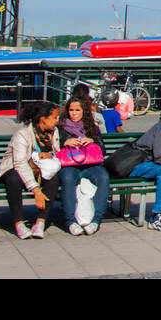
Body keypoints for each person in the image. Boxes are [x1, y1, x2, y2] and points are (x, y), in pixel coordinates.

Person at [0, 101, 62, 239]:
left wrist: (49, 155)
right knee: (13, 179)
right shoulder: (23, 134)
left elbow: (57, 153)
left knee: (53, 177)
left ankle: (40, 222)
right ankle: (19, 223)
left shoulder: (54, 132)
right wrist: (36, 191)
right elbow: (20, 163)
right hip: (15, 167)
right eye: (54, 117)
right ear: (43, 119)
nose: (57, 121)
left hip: (39, 169)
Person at [58, 96, 110, 235]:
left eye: (77, 110)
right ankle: (70, 221)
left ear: (83, 111)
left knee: (103, 177)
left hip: (90, 164)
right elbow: (52, 149)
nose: (73, 113)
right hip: (69, 165)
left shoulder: (91, 127)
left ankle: (96, 220)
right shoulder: (61, 127)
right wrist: (64, 143)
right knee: (68, 179)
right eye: (71, 110)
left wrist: (92, 141)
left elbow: (103, 149)